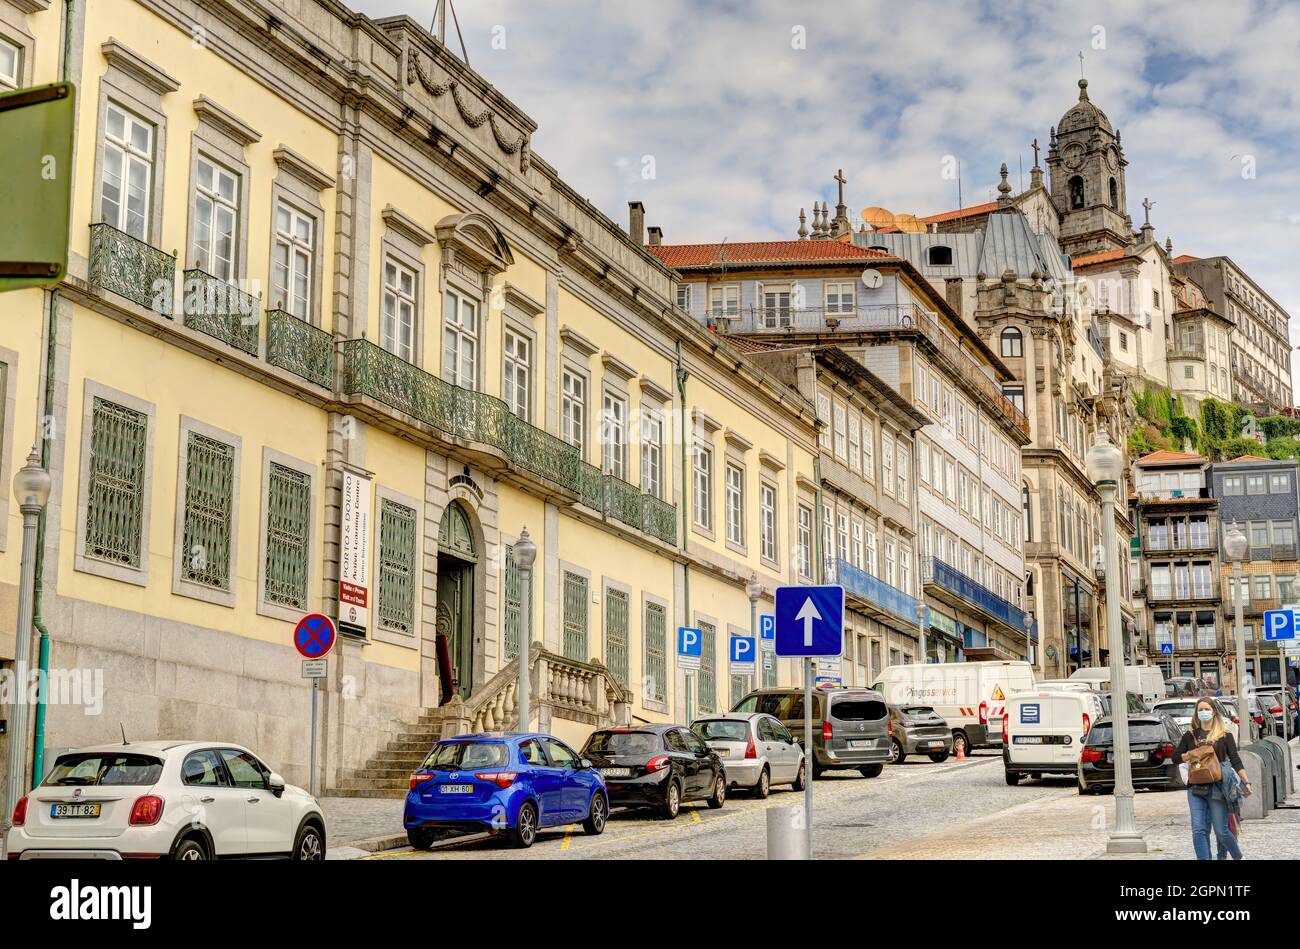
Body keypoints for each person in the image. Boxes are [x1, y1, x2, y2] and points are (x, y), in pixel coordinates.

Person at [1176, 698, 1250, 860]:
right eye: (1200, 710)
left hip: (1218, 787)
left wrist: (1246, 781)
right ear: (1196, 713)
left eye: (1206, 709)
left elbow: (1236, 760)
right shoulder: (1190, 736)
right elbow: (1176, 758)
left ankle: (1239, 857)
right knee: (1198, 829)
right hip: (1195, 788)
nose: (1203, 712)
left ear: (1214, 711)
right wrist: (1191, 754)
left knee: (1222, 831)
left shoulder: (1224, 735)